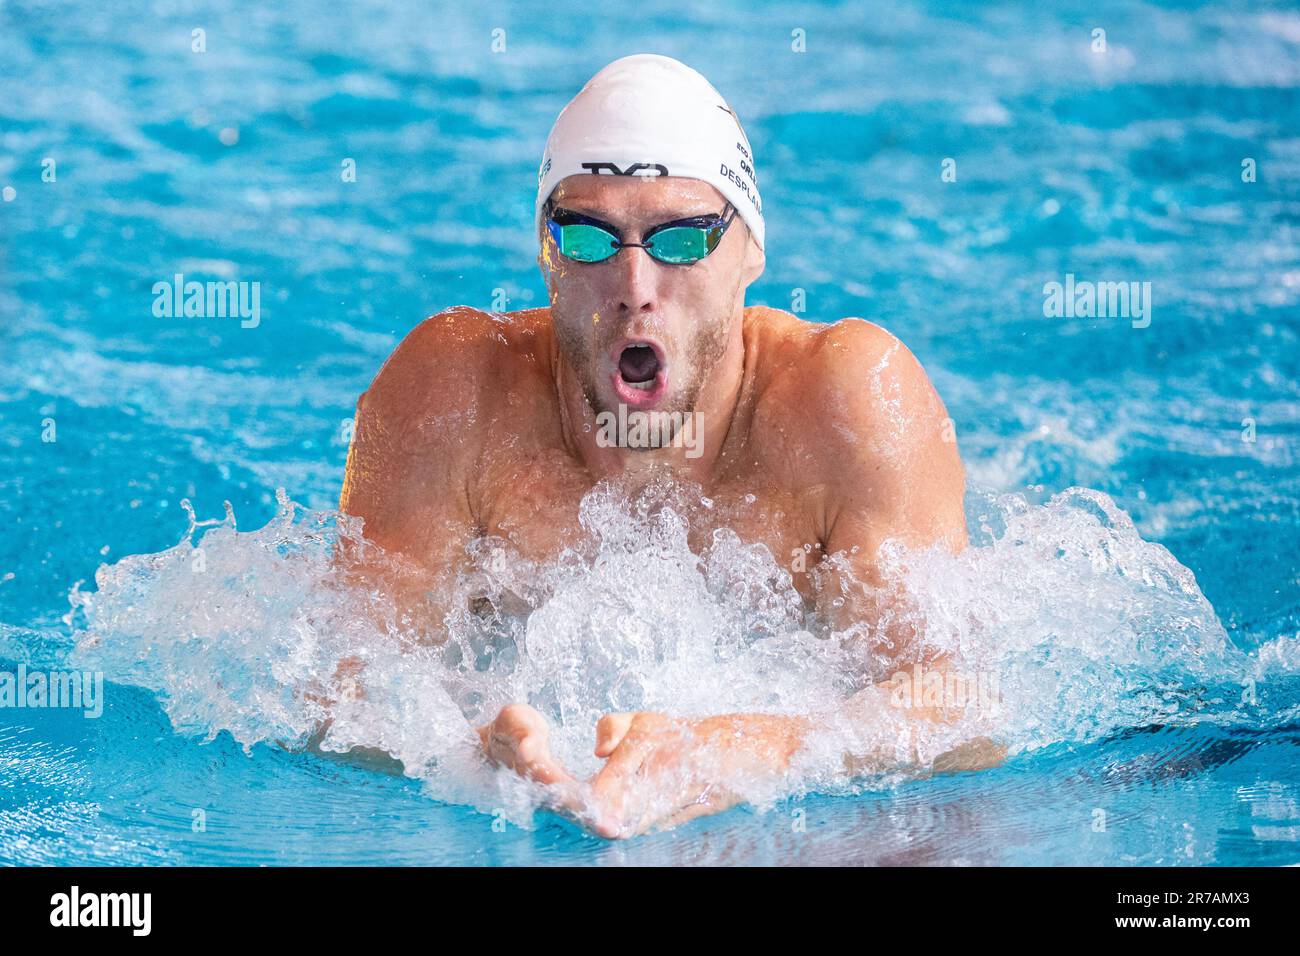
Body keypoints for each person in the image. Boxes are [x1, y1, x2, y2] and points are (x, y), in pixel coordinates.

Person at [336, 53, 1001, 838]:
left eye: (682, 240)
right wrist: (459, 758)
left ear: (750, 251)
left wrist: (757, 747)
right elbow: (331, 678)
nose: (634, 284)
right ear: (546, 253)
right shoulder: (452, 393)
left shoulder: (850, 402)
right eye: (588, 236)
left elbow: (958, 708)